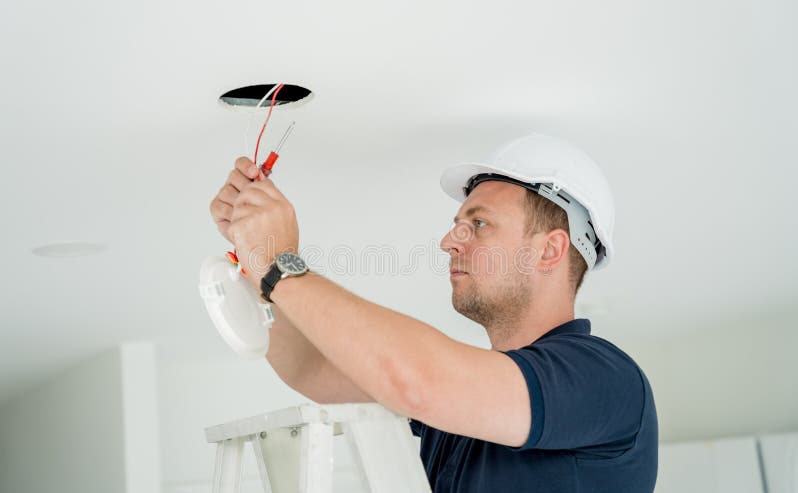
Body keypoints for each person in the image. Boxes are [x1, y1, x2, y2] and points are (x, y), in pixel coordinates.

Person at [209, 133, 658, 492]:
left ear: (549, 251)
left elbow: (418, 382)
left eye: (478, 224)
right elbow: (313, 366)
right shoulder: (461, 408)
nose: (449, 241)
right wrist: (260, 262)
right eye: (456, 224)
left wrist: (282, 268)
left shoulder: (606, 381)